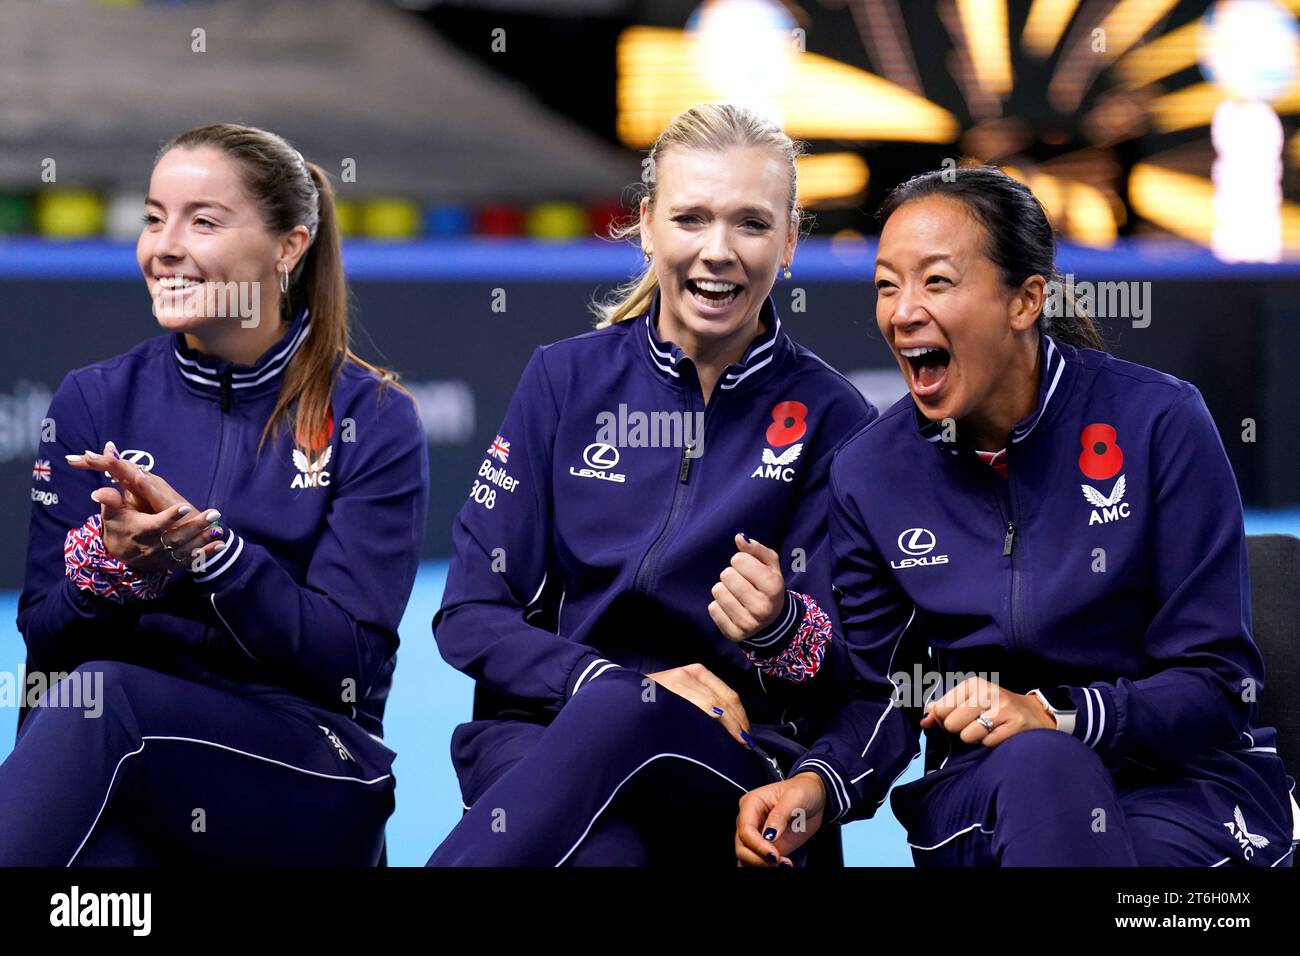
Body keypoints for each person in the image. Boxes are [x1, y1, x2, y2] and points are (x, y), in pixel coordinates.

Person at [736, 165, 1296, 867]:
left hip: (1186, 790)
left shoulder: (1161, 421)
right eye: (887, 284)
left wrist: (1057, 714)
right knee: (1041, 766)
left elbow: (1216, 685)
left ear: (1026, 300)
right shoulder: (869, 474)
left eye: (936, 281)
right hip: (989, 793)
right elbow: (884, 692)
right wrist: (818, 783)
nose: (903, 310)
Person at [427, 104, 876, 866]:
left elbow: (860, 683)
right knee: (606, 847)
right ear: (646, 225)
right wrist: (603, 680)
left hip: (732, 762)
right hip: (549, 734)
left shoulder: (839, 421)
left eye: (752, 224)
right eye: (692, 217)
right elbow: (469, 613)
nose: (718, 251)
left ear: (792, 240)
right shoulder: (563, 380)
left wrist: (781, 630)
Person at [6, 123, 429, 865]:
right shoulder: (94, 398)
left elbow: (349, 662)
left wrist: (207, 552)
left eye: (202, 220)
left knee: (105, 702)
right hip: (131, 769)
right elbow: (43, 634)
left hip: (306, 771)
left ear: (288, 248)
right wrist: (111, 572)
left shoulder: (373, 417)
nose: (164, 246)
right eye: (152, 217)